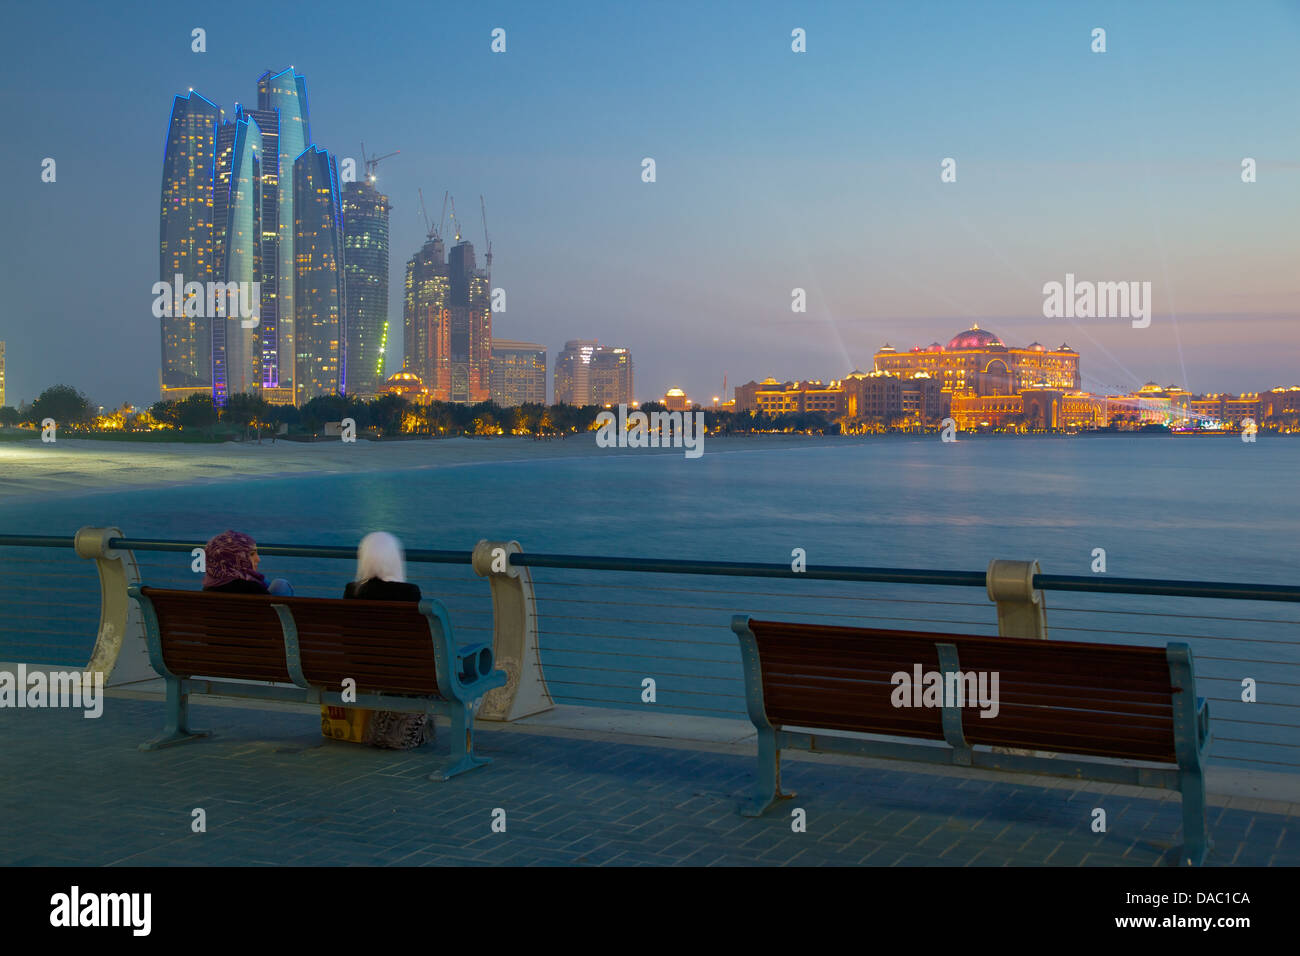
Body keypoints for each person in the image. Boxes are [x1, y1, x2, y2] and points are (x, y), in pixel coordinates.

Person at [342, 532, 434, 750]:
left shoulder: (352, 591)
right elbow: (418, 638)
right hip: (398, 672)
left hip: (359, 669)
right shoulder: (409, 592)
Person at [201, 530, 293, 595]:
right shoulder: (251, 588)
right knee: (281, 584)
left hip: (219, 621)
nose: (258, 559)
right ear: (237, 558)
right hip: (258, 621)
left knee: (265, 581)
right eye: (252, 554)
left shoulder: (208, 587)